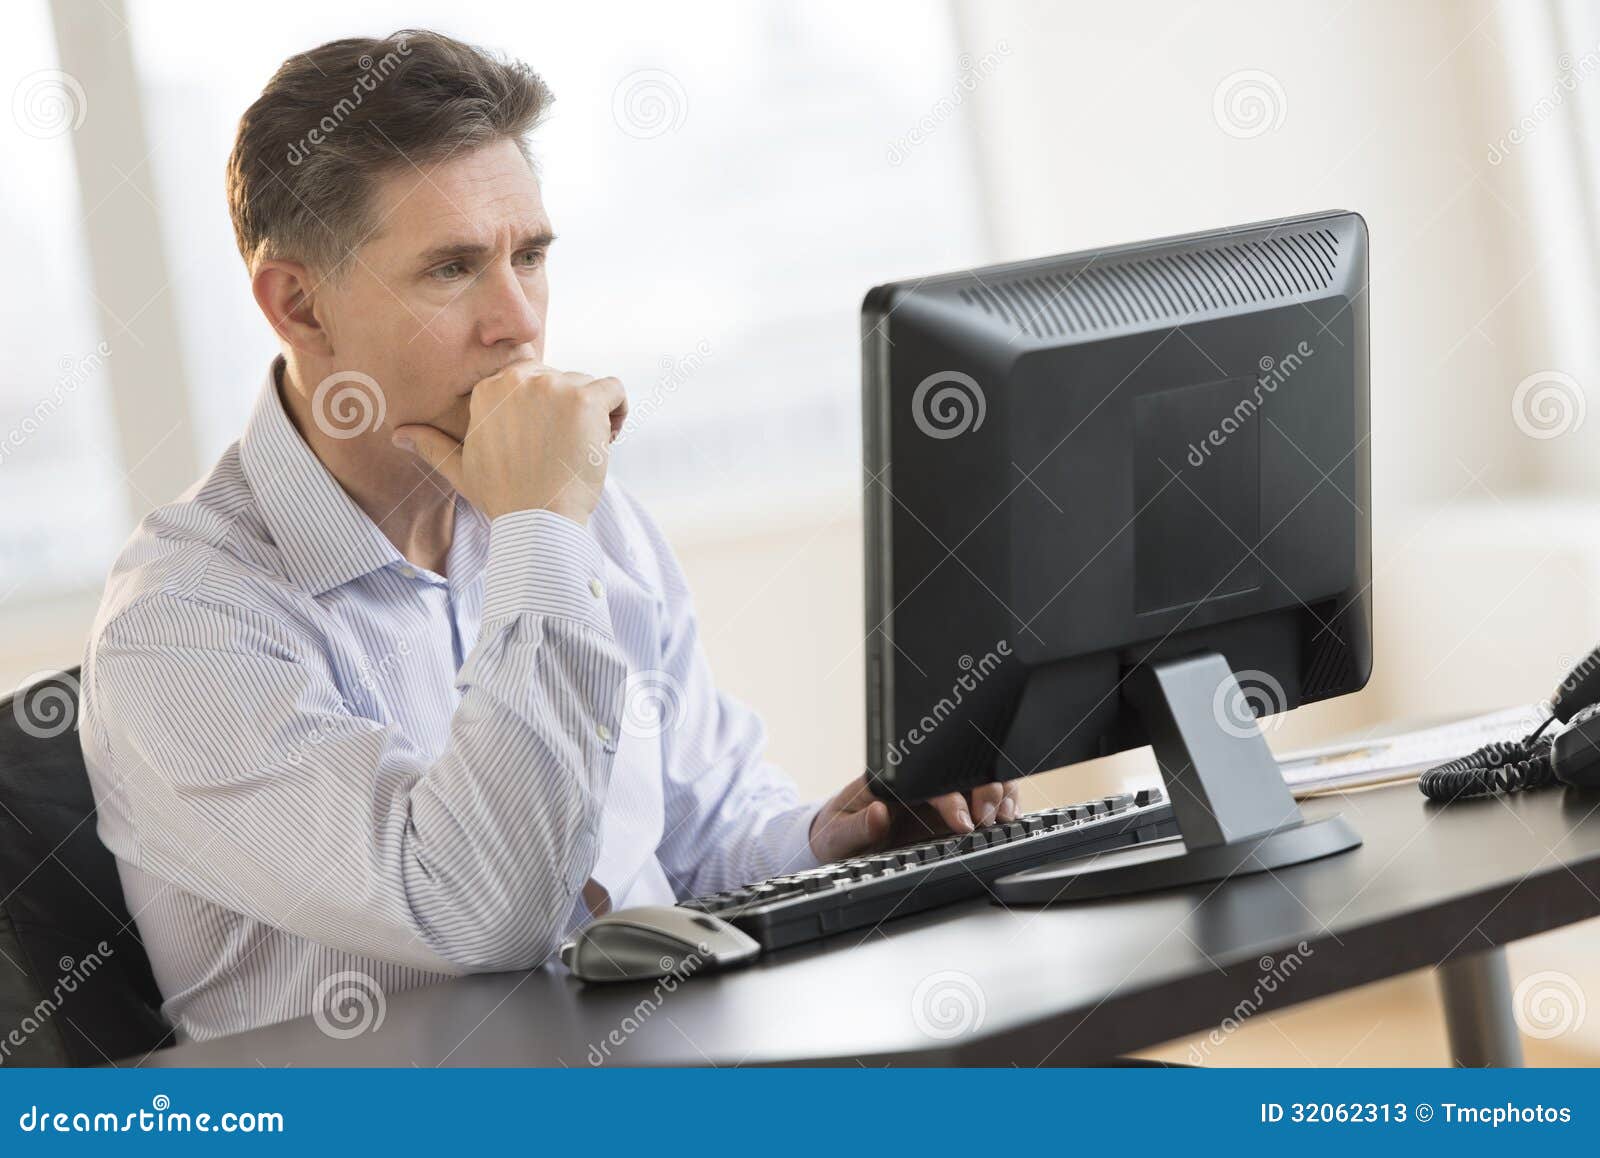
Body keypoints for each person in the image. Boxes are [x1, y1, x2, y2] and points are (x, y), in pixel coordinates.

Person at [79, 29, 1019, 1043]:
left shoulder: (580, 515)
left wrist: (832, 842)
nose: (518, 321)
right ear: (298, 305)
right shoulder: (183, 625)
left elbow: (700, 842)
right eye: (452, 269)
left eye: (529, 256)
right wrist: (539, 531)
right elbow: (477, 911)